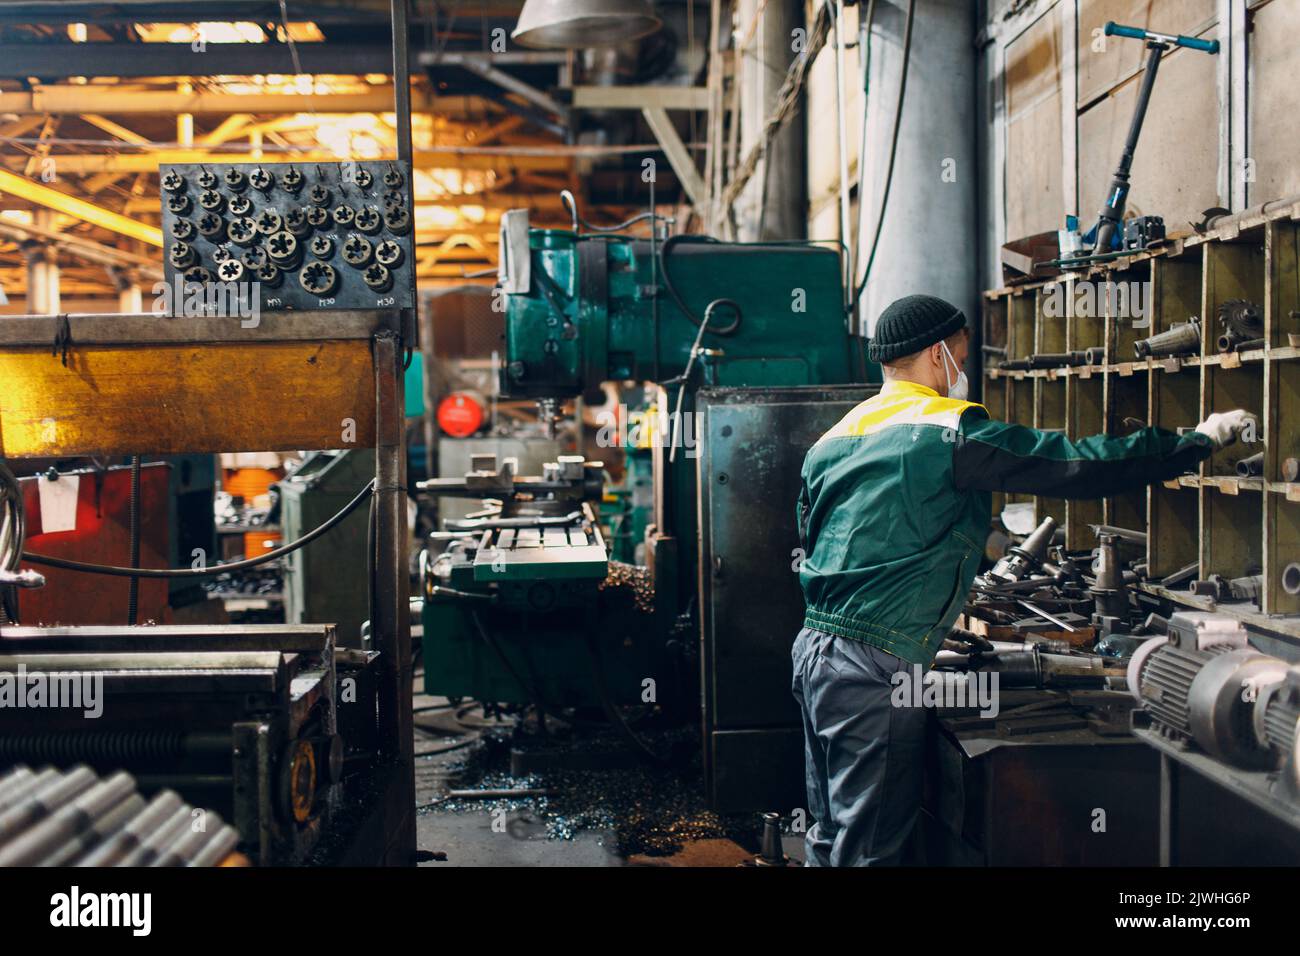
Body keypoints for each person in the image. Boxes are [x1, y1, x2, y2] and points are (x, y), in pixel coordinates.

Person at [791, 293, 1253, 866]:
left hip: (815, 651)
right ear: (939, 354)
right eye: (962, 354)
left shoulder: (831, 440)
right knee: (870, 851)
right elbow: (1074, 464)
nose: (965, 369)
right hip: (875, 664)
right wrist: (1195, 442)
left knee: (829, 833)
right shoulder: (949, 429)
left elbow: (813, 539)